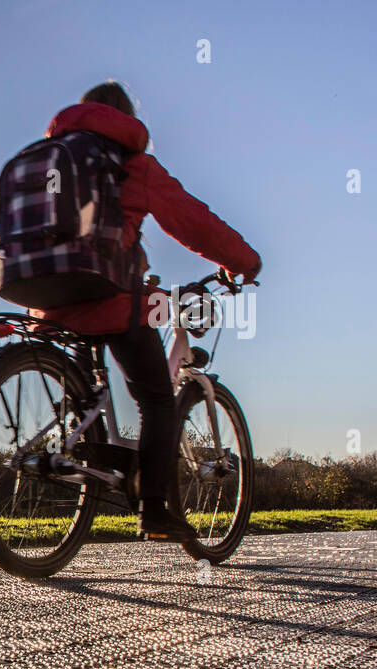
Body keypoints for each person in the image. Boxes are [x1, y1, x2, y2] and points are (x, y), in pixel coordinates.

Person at [32, 81, 261, 542]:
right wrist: (244, 263)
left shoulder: (50, 159)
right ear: (124, 118)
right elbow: (193, 220)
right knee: (157, 398)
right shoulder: (130, 164)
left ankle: (93, 456)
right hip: (108, 295)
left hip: (46, 295)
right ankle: (154, 509)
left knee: (89, 396)